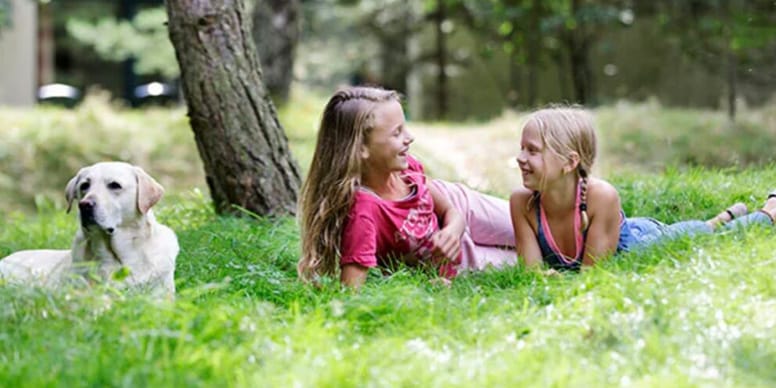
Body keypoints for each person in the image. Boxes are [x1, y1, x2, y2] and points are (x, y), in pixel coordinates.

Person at [509, 106, 776, 271]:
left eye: (532, 151)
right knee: (701, 230)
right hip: (618, 232)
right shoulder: (522, 203)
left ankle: (767, 213)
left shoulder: (601, 197)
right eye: (522, 148)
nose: (520, 158)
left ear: (569, 162)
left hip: (639, 240)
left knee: (707, 239)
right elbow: (532, 274)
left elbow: (591, 276)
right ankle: (718, 219)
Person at [297, 86, 516, 287]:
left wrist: (452, 230)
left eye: (405, 128)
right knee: (536, 254)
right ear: (361, 148)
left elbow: (451, 210)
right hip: (462, 258)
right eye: (396, 133)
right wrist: (425, 287)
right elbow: (349, 293)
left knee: (538, 223)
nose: (409, 138)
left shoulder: (403, 169)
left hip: (465, 208)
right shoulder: (364, 212)